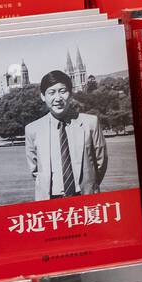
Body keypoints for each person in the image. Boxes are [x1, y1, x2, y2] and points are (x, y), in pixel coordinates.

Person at [25, 69, 108, 201]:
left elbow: (101, 162)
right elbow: (35, 171)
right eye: (51, 92)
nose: (58, 98)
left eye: (62, 91)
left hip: (85, 196)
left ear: (70, 93)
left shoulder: (90, 123)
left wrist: (89, 183)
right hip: (49, 200)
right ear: (43, 96)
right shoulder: (32, 130)